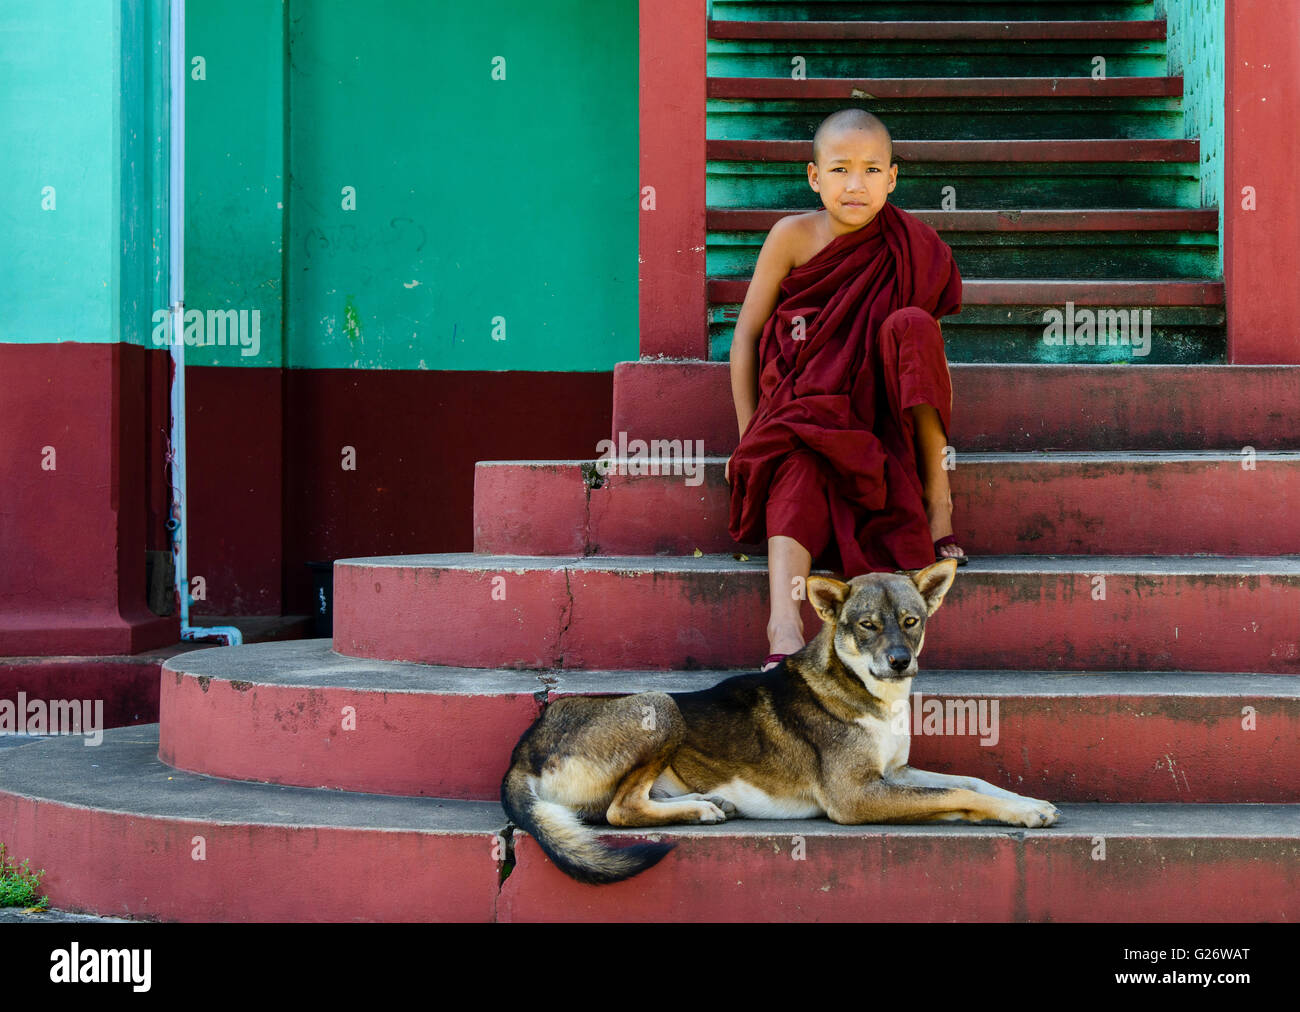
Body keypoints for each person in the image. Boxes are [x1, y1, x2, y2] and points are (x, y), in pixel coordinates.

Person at [724, 108, 966, 671]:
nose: (854, 185)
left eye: (870, 170)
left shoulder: (912, 245)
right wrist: (749, 437)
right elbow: (747, 336)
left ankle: (938, 500)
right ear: (814, 177)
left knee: (913, 324)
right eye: (839, 170)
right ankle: (783, 629)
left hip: (883, 419)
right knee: (797, 461)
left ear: (892, 178)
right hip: (805, 412)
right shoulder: (792, 236)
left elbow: (917, 360)